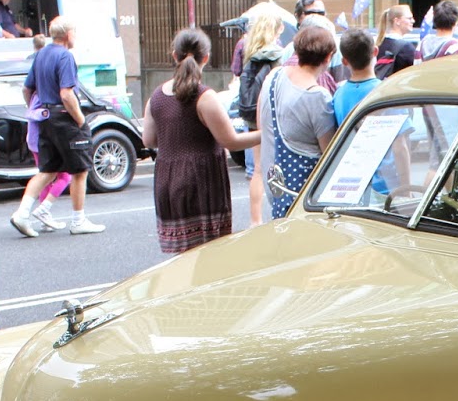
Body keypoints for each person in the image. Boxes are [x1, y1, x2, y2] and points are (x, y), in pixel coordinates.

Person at [141, 28, 259, 253]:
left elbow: (148, 140)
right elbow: (231, 141)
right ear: (206, 57)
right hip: (201, 180)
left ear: (174, 55)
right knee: (207, 254)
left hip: (168, 180)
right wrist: (267, 134)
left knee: (181, 257)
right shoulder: (204, 97)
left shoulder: (155, 97)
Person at [8, 17, 105, 236]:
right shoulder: (65, 56)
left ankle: (22, 214)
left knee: (47, 170)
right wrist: (80, 120)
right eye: (75, 32)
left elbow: (27, 89)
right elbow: (67, 93)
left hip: (44, 117)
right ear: (69, 34)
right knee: (80, 170)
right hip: (64, 117)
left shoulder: (41, 54)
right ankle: (78, 220)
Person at [259, 25, 335, 219]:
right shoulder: (317, 96)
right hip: (304, 194)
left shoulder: (273, 76)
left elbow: (261, 121)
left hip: (276, 187)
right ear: (328, 57)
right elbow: (329, 151)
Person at [237, 13, 287, 225]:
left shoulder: (250, 53)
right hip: (272, 114)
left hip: (251, 117)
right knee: (280, 165)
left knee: (258, 168)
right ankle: (280, 213)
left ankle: (255, 219)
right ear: (274, 31)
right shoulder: (277, 55)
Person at [22, 35, 71, 233]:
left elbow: (25, 89)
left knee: (45, 175)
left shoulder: (34, 97)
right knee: (63, 176)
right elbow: (67, 95)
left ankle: (43, 215)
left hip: (32, 138)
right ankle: (43, 210)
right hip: (42, 137)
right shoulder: (48, 101)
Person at [333, 29, 380, 123]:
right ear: (375, 51)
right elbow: (402, 136)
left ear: (344, 61)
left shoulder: (338, 95)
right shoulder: (384, 91)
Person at [375, 5, 416, 78]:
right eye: (409, 18)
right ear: (397, 21)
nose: (413, 21)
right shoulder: (406, 48)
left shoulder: (379, 44)